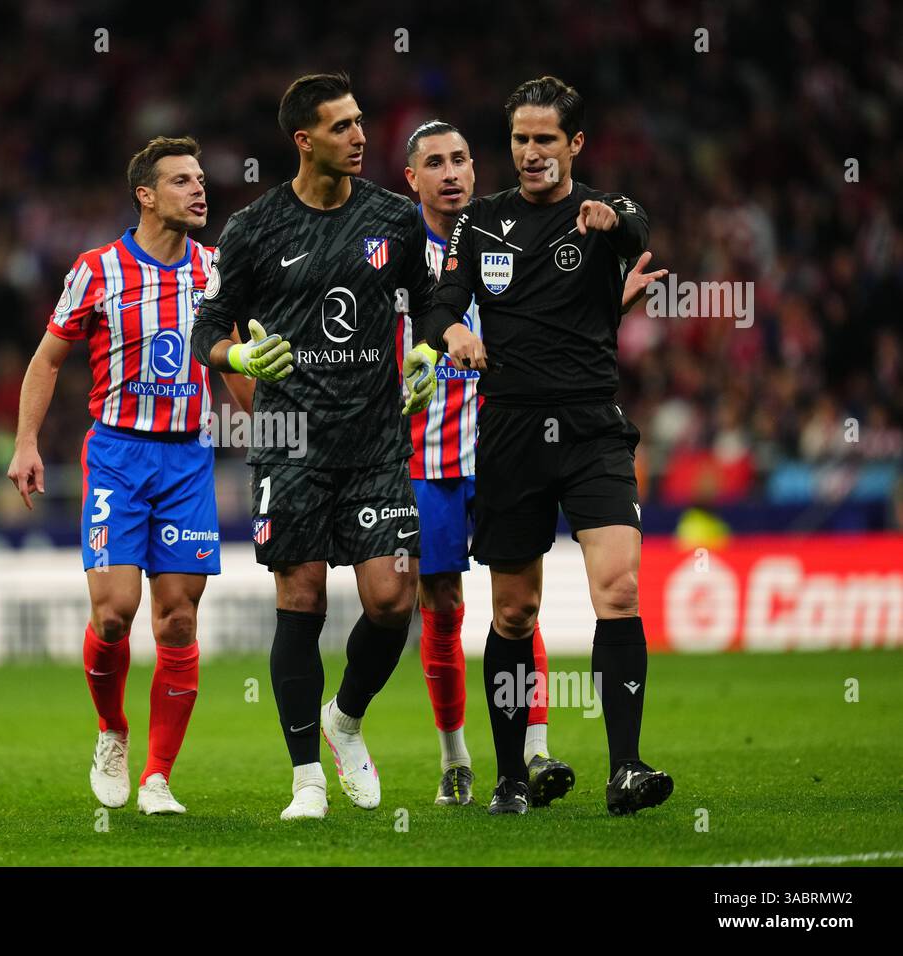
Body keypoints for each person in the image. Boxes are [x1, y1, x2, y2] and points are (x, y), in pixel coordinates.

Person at [421, 76, 674, 815]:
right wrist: (454, 330)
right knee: (513, 614)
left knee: (620, 590)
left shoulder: (602, 214)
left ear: (575, 144)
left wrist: (613, 219)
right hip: (510, 432)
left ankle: (624, 768)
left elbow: (636, 222)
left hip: (593, 428)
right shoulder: (481, 221)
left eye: (545, 140)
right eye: (520, 139)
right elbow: (440, 300)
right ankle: (508, 777)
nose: (531, 153)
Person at [191, 72, 441, 820]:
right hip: (288, 441)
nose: (361, 136)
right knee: (298, 598)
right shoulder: (255, 229)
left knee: (394, 600)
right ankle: (305, 778)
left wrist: (426, 352)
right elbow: (209, 328)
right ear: (304, 140)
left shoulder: (395, 220)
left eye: (360, 122)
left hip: (374, 442)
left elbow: (430, 303)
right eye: (342, 127)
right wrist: (236, 360)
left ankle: (345, 717)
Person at [7, 137, 253, 815]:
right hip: (117, 453)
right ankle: (111, 729)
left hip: (187, 459)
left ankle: (157, 777)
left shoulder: (216, 272)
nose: (199, 191)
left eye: (201, 179)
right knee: (115, 614)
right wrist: (27, 442)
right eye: (181, 181)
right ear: (146, 195)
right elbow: (48, 359)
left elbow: (231, 364)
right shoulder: (98, 270)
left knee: (177, 620)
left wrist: (273, 434)